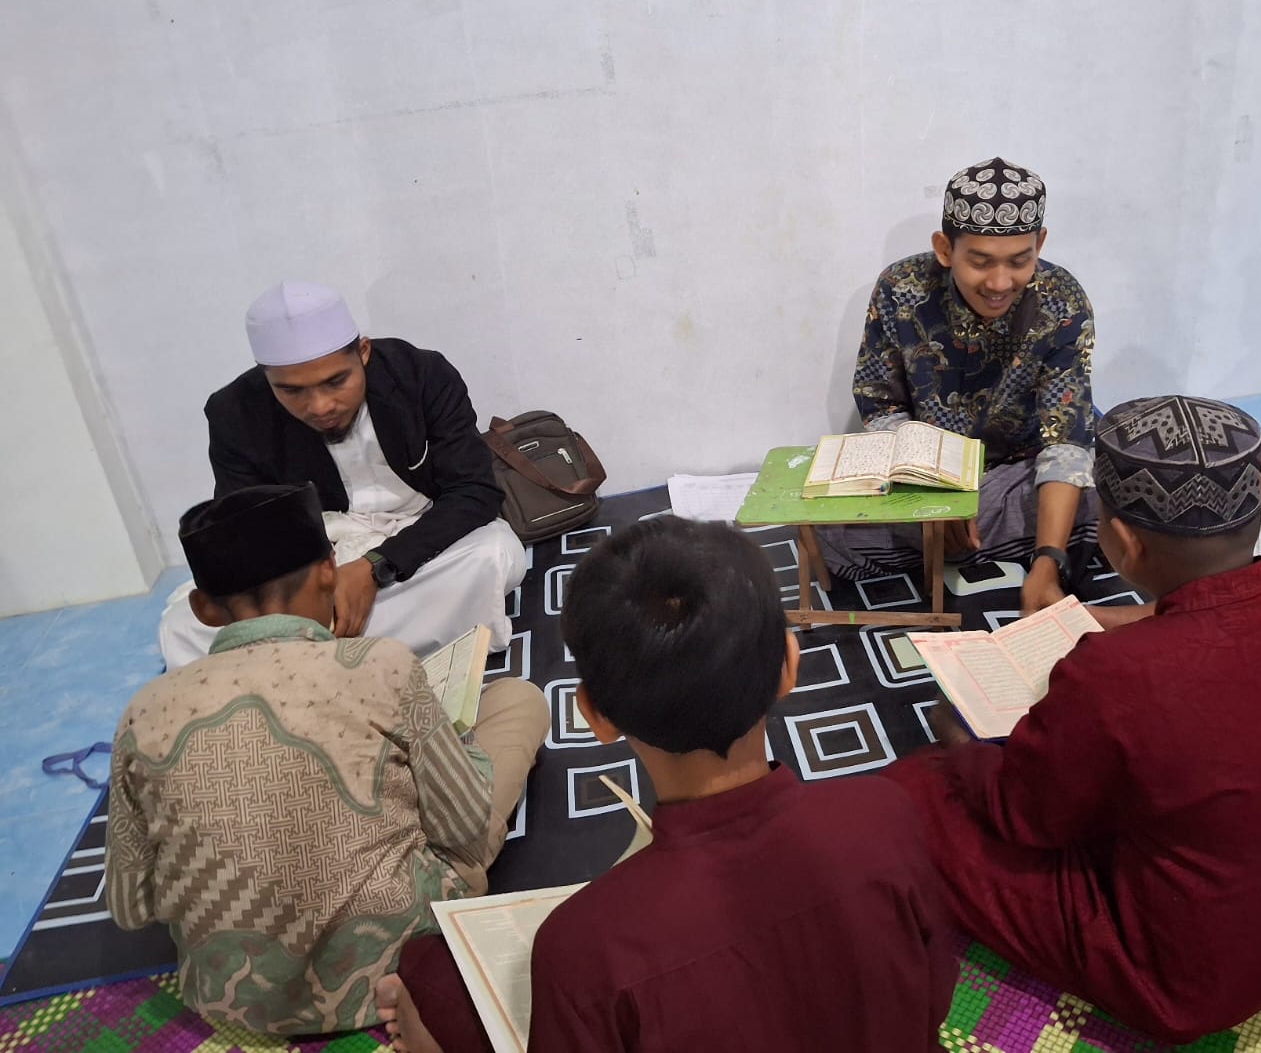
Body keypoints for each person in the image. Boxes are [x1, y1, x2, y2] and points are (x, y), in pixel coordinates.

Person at [884, 396, 1261, 1044]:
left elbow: (1023, 818)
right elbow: (1201, 621)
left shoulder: (1115, 676)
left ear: (1121, 540)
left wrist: (958, 742)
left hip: (1187, 984)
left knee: (916, 791)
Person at [378, 517, 956, 1053]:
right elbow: (934, 989)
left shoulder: (583, 944)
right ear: (788, 663)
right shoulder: (887, 813)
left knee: (427, 974)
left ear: (593, 716)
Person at [107, 484, 549, 1036]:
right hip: (403, 964)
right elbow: (462, 826)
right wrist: (443, 746)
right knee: (517, 701)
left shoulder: (143, 710)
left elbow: (131, 907)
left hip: (235, 1001)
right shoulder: (380, 664)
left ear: (201, 609)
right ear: (328, 571)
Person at [157, 282, 525, 670]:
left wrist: (375, 567)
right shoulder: (234, 413)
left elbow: (474, 492)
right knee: (181, 627)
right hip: (313, 558)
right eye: (291, 390)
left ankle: (298, 661)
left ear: (363, 352)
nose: (319, 406)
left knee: (494, 554)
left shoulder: (421, 374)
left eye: (335, 382)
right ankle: (368, 649)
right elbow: (250, 532)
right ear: (266, 378)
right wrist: (314, 586)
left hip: (419, 538)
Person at [816, 157, 1098, 614]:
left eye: (1020, 261)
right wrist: (936, 496)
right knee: (829, 533)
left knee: (1101, 486)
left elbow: (1065, 438)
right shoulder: (900, 288)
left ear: (1040, 244)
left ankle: (1009, 541)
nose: (1000, 283)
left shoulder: (1061, 298)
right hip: (924, 470)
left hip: (1021, 472)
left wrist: (1049, 561)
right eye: (980, 262)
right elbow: (880, 405)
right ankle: (986, 537)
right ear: (945, 249)